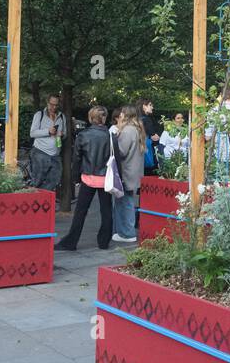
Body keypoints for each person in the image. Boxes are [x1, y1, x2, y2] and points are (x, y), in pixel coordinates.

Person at [56, 106, 114, 251]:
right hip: (105, 178)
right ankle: (104, 242)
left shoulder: (83, 135)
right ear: (104, 118)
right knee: (106, 211)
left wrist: (75, 177)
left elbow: (77, 158)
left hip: (88, 177)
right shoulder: (111, 135)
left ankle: (71, 241)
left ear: (90, 118)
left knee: (80, 212)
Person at [112, 104, 146, 244]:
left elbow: (120, 151)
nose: (120, 115)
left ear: (126, 115)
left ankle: (127, 233)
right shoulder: (138, 129)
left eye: (122, 113)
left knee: (124, 202)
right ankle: (126, 231)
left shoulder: (128, 131)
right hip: (135, 171)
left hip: (126, 172)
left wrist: (115, 136)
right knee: (127, 201)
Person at [26, 95, 66, 192]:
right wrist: (48, 131)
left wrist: (62, 134)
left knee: (54, 180)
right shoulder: (39, 115)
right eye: (52, 105)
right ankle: (34, 202)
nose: (54, 107)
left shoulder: (61, 116)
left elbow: (65, 134)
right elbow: (32, 133)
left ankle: (42, 201)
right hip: (40, 152)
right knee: (37, 181)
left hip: (55, 154)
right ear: (47, 103)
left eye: (56, 105)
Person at [140, 98, 163, 170]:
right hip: (148, 149)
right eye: (150, 105)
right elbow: (154, 136)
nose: (152, 107)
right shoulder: (146, 119)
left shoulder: (136, 118)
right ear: (144, 106)